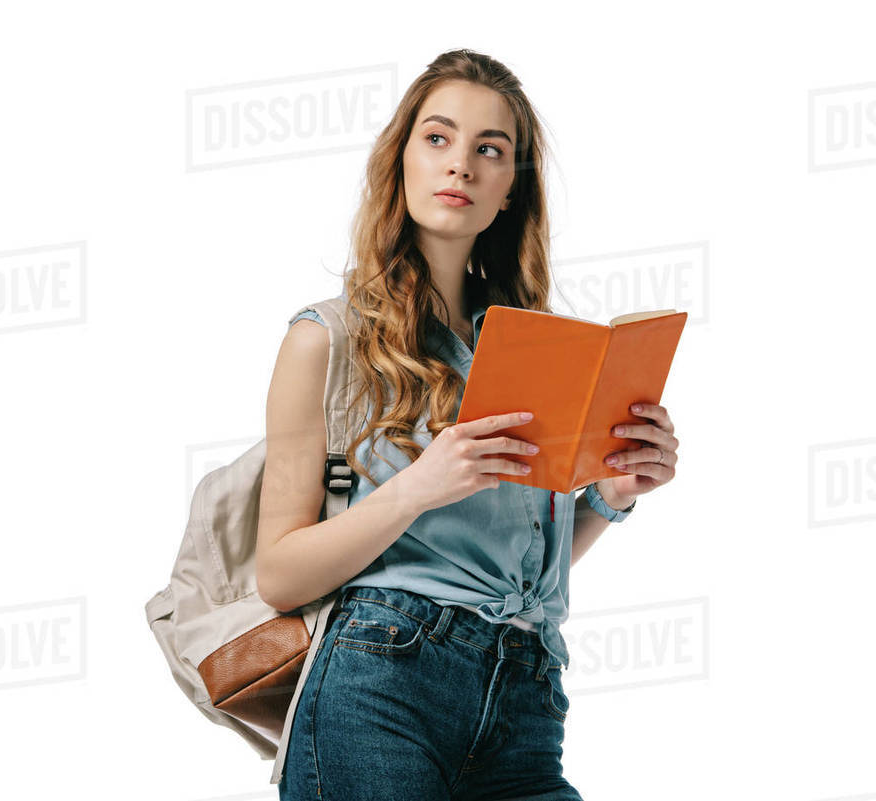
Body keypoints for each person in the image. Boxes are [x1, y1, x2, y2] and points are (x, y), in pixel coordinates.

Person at [257, 49, 680, 801]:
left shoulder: (534, 349)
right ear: (401, 160)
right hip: (382, 685)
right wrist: (418, 487)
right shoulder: (325, 341)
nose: (462, 166)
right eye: (438, 138)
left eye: (491, 150)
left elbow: (506, 570)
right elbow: (279, 572)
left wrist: (611, 495)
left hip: (527, 699)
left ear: (510, 192)